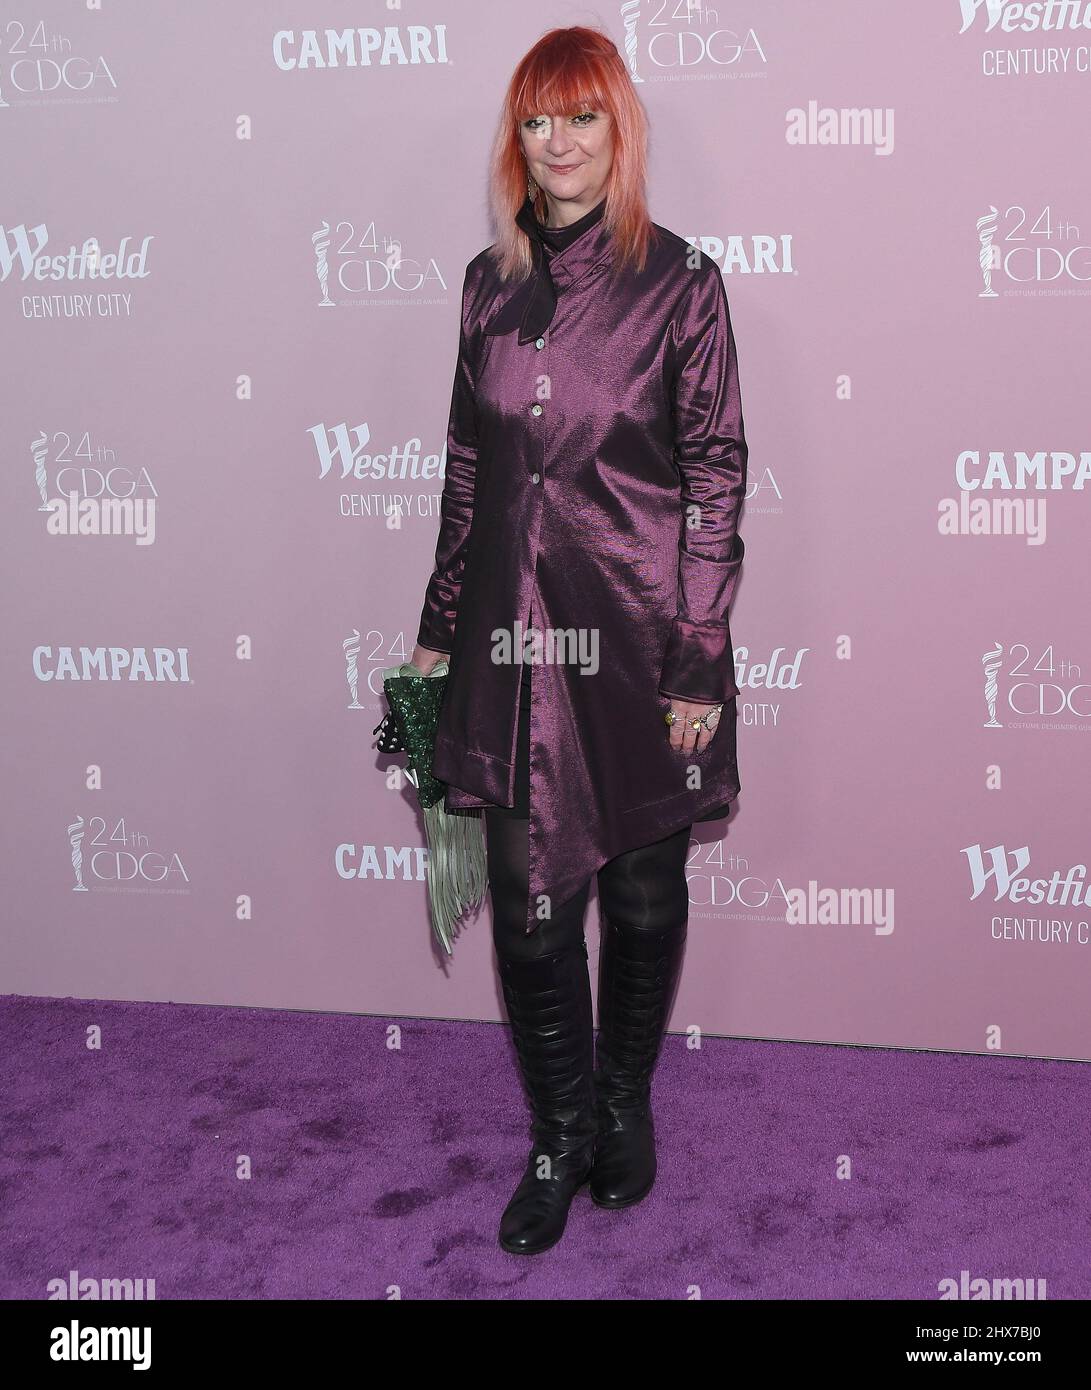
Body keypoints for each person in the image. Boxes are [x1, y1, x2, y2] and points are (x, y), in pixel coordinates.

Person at [411, 25, 748, 1255]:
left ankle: (621, 1106)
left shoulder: (680, 284)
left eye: (580, 118)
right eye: (536, 120)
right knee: (528, 898)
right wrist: (439, 632)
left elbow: (714, 474)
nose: (555, 142)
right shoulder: (483, 287)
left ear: (619, 132)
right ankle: (555, 1132)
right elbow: (466, 468)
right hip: (509, 649)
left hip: (640, 636)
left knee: (645, 881)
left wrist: (698, 651)